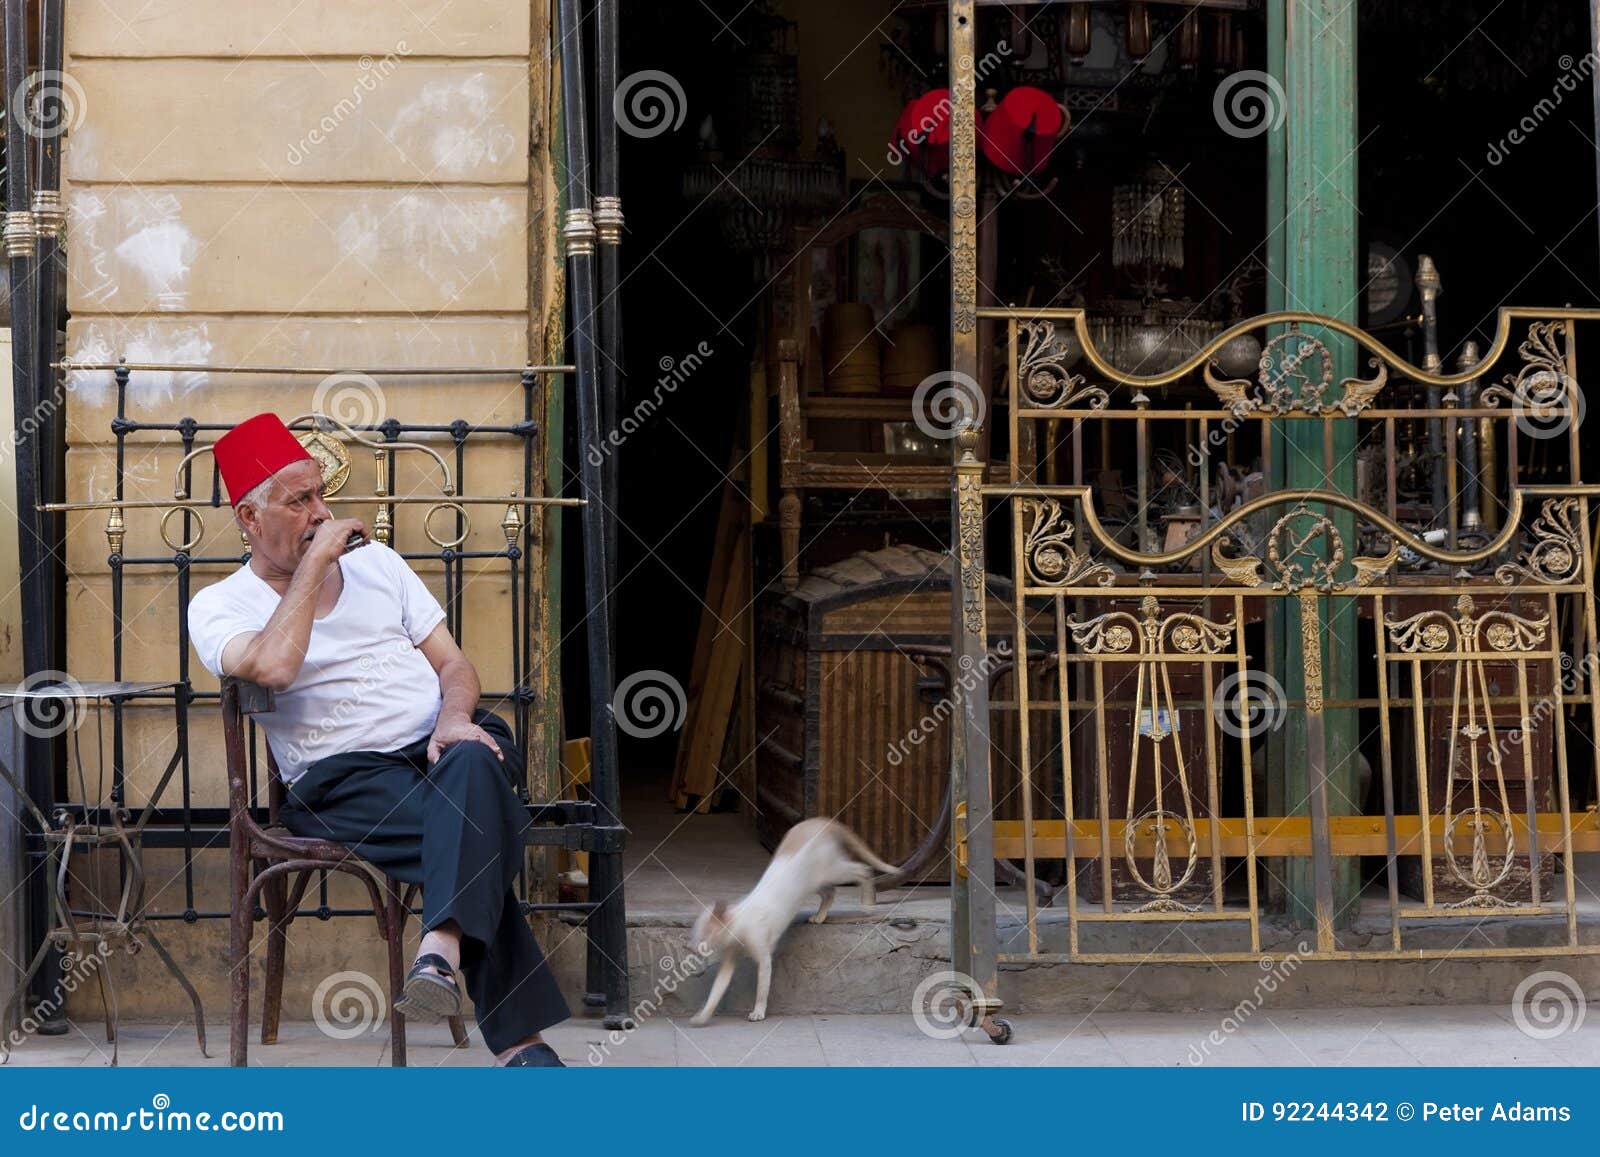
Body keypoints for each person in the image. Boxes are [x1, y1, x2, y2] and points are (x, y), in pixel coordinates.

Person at [188, 412, 569, 1066]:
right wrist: (314, 567)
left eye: (319, 494)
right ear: (249, 517)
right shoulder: (220, 604)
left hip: (438, 747)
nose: (320, 510)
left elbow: (455, 664)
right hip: (346, 779)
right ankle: (519, 1045)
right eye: (298, 500)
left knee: (474, 752)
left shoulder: (382, 565)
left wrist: (453, 715)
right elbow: (274, 666)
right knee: (473, 819)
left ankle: (440, 952)